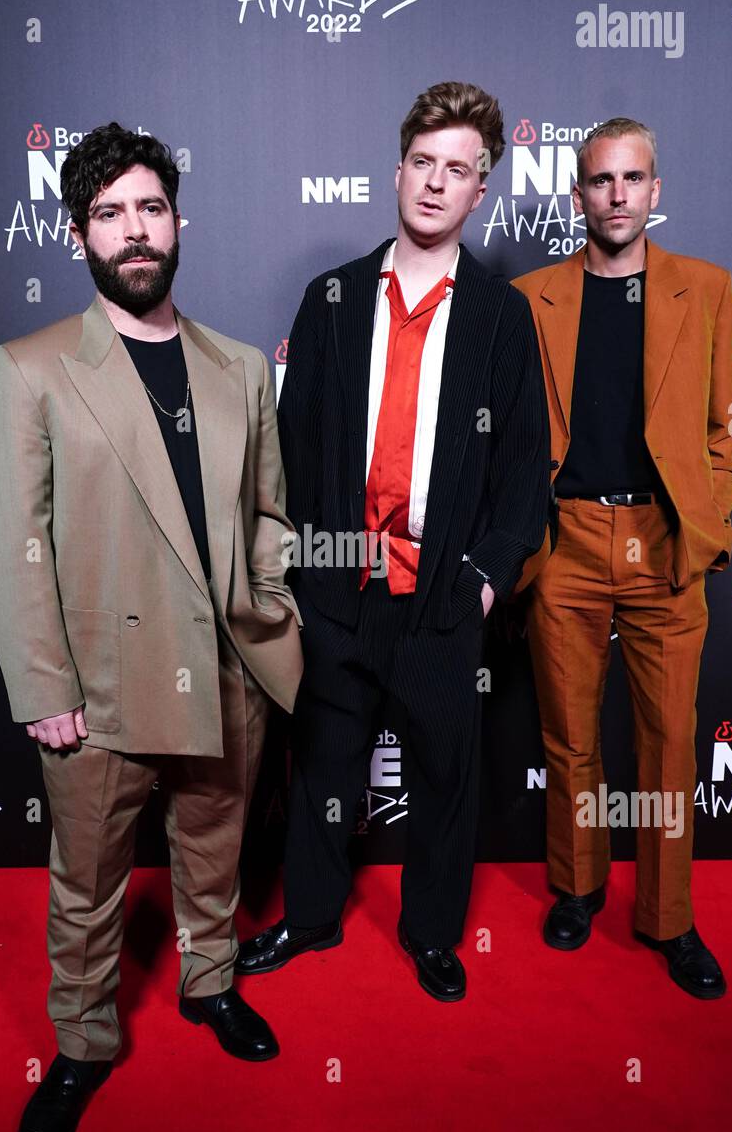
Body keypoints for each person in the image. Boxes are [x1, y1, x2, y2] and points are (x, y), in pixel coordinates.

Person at [0, 123, 303, 1132]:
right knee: (86, 885)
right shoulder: (31, 367)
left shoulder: (238, 365)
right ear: (78, 235)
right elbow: (14, 541)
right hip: (97, 688)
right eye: (109, 214)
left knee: (213, 854)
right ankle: (81, 1044)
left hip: (224, 670)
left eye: (149, 209)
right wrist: (44, 685)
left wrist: (266, 613)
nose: (134, 231)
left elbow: (269, 513)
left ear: (178, 221)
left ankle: (210, 983)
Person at [236, 82, 551, 1002]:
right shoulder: (331, 298)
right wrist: (302, 571)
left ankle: (433, 934)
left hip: (443, 596)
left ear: (480, 190)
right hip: (340, 590)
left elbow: (524, 473)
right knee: (323, 765)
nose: (436, 182)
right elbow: (290, 452)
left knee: (447, 774)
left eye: (458, 169)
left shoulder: (501, 315)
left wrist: (484, 580)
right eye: (423, 162)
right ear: (398, 169)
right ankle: (310, 915)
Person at [512, 117, 732, 999]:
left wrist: (707, 524)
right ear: (579, 195)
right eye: (601, 180)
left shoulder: (706, 287)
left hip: (667, 540)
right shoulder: (532, 296)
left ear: (656, 191)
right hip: (566, 539)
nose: (617, 195)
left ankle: (668, 917)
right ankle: (577, 887)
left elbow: (724, 428)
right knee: (570, 735)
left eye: (632, 178)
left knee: (669, 742)